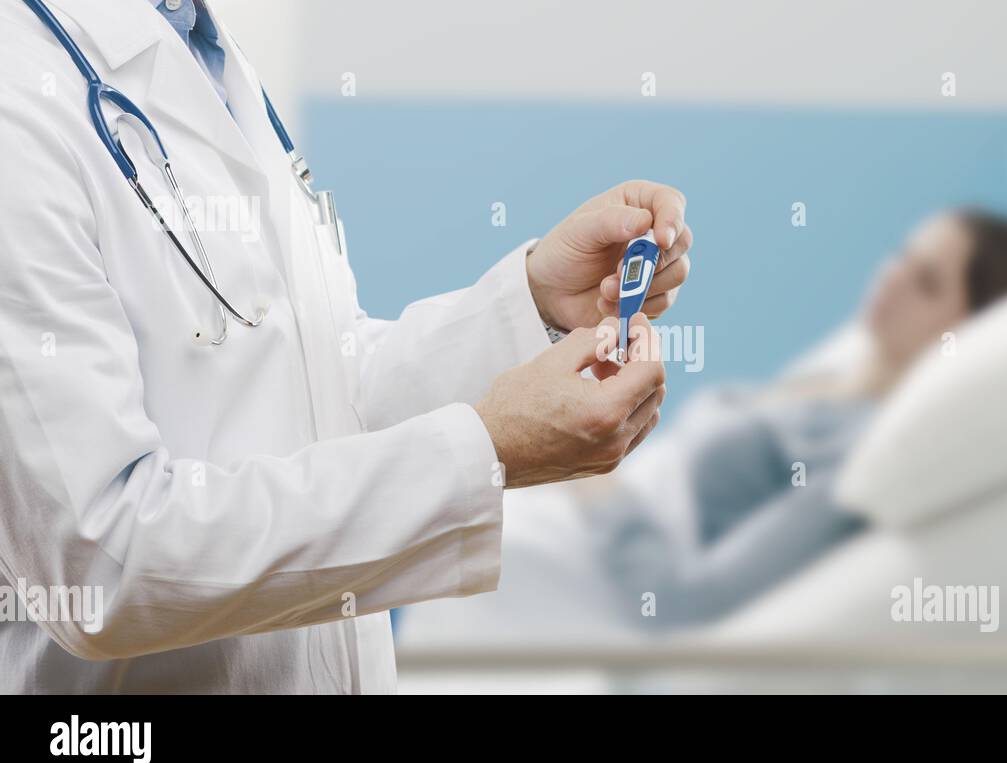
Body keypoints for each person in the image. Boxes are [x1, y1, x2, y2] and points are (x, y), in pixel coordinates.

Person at [0, 0, 691, 692]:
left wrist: (533, 303)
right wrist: (486, 449)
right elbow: (103, 562)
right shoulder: (21, 100)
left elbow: (324, 394)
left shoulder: (201, 49)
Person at [591, 209, 1007, 627]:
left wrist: (596, 485)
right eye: (902, 255)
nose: (892, 276)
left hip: (600, 562)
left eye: (927, 282)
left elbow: (683, 603)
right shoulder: (830, 383)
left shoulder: (868, 451)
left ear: (976, 330)